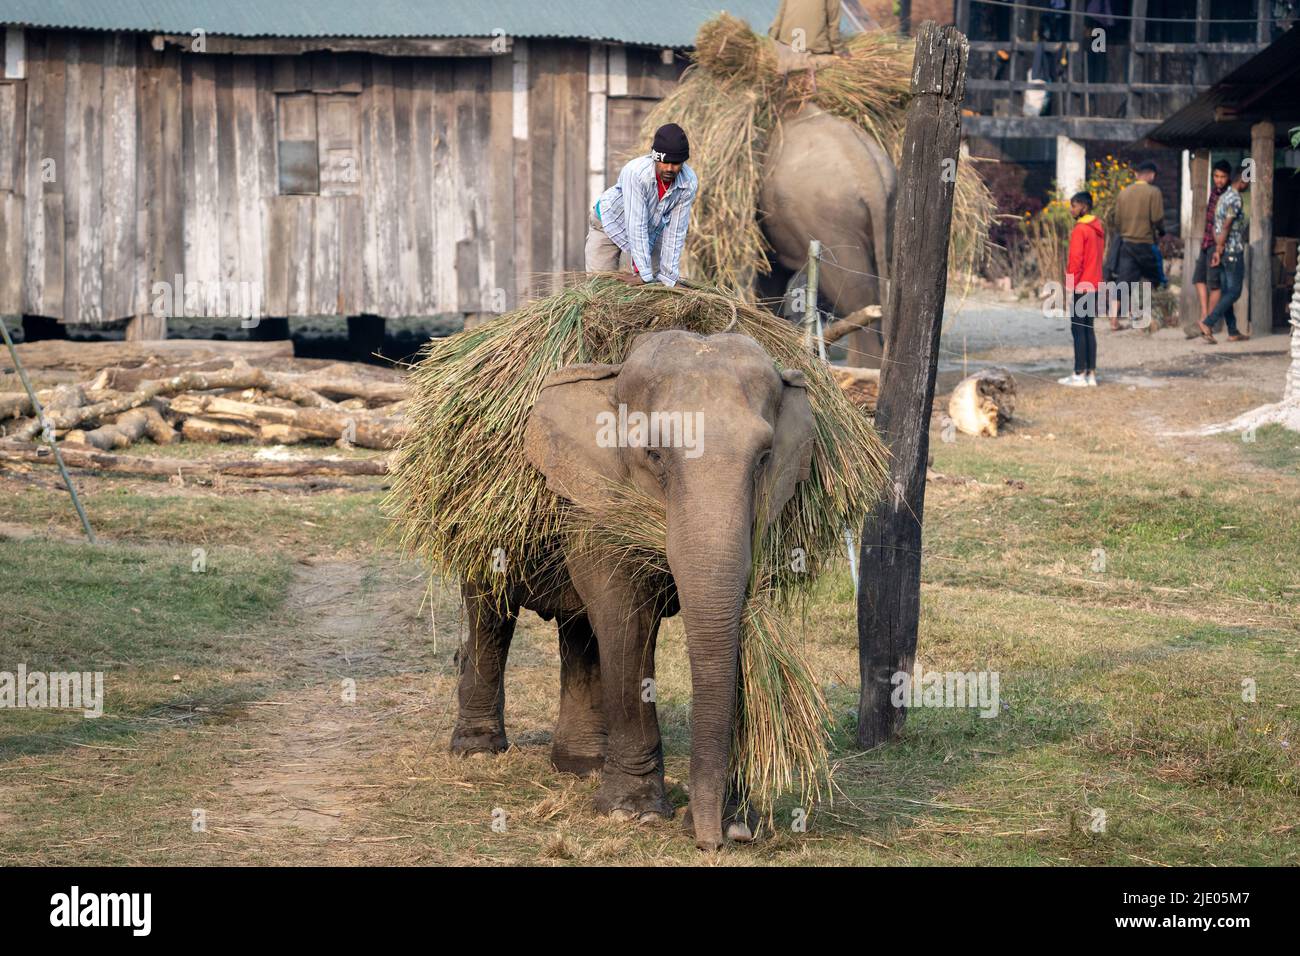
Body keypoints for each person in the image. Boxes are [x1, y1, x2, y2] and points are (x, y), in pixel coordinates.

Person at [585, 123, 698, 288]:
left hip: (651, 230)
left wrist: (669, 278)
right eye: (664, 162)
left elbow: (675, 232)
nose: (669, 168)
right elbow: (636, 224)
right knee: (599, 288)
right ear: (654, 157)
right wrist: (643, 274)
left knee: (657, 287)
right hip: (609, 223)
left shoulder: (688, 182)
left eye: (675, 163)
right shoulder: (636, 173)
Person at [1199, 162, 1251, 344]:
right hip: (1233, 251)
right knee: (1234, 291)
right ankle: (1208, 322)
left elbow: (1216, 225)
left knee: (1227, 291)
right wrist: (1220, 248)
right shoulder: (1235, 198)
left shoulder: (1223, 197)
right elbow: (1227, 225)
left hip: (1221, 248)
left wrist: (1217, 249)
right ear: (1243, 180)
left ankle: (1233, 331)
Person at [1059, 191, 1105, 388]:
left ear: (1084, 207)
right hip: (1094, 285)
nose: (1071, 209)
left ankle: (1078, 374)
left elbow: (1075, 261)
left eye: (1074, 205)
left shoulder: (1080, 230)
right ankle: (1091, 374)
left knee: (1078, 329)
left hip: (1081, 285)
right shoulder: (1097, 229)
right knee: (1088, 330)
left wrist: (1070, 285)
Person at [1113, 160, 1165, 325]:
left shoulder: (1123, 193)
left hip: (1127, 242)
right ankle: (1145, 314)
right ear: (1152, 175)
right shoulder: (1153, 192)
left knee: (1124, 281)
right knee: (1153, 278)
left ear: (1136, 174)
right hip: (1145, 242)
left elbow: (1118, 221)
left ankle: (1114, 318)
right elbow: (1157, 218)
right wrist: (1162, 231)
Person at [1193, 160, 1233, 327]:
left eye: (1222, 177)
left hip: (1217, 245)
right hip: (1206, 241)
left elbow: (1227, 224)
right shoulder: (1214, 193)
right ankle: (1204, 315)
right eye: (1216, 176)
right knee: (1198, 279)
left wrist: (1219, 247)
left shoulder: (1229, 196)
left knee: (1214, 285)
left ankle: (1208, 322)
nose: (1219, 180)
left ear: (1228, 177)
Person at [769, 0, 843, 56]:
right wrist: (839, 50)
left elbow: (781, 13)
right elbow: (833, 25)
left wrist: (773, 36)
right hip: (813, 48)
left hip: (785, 41)